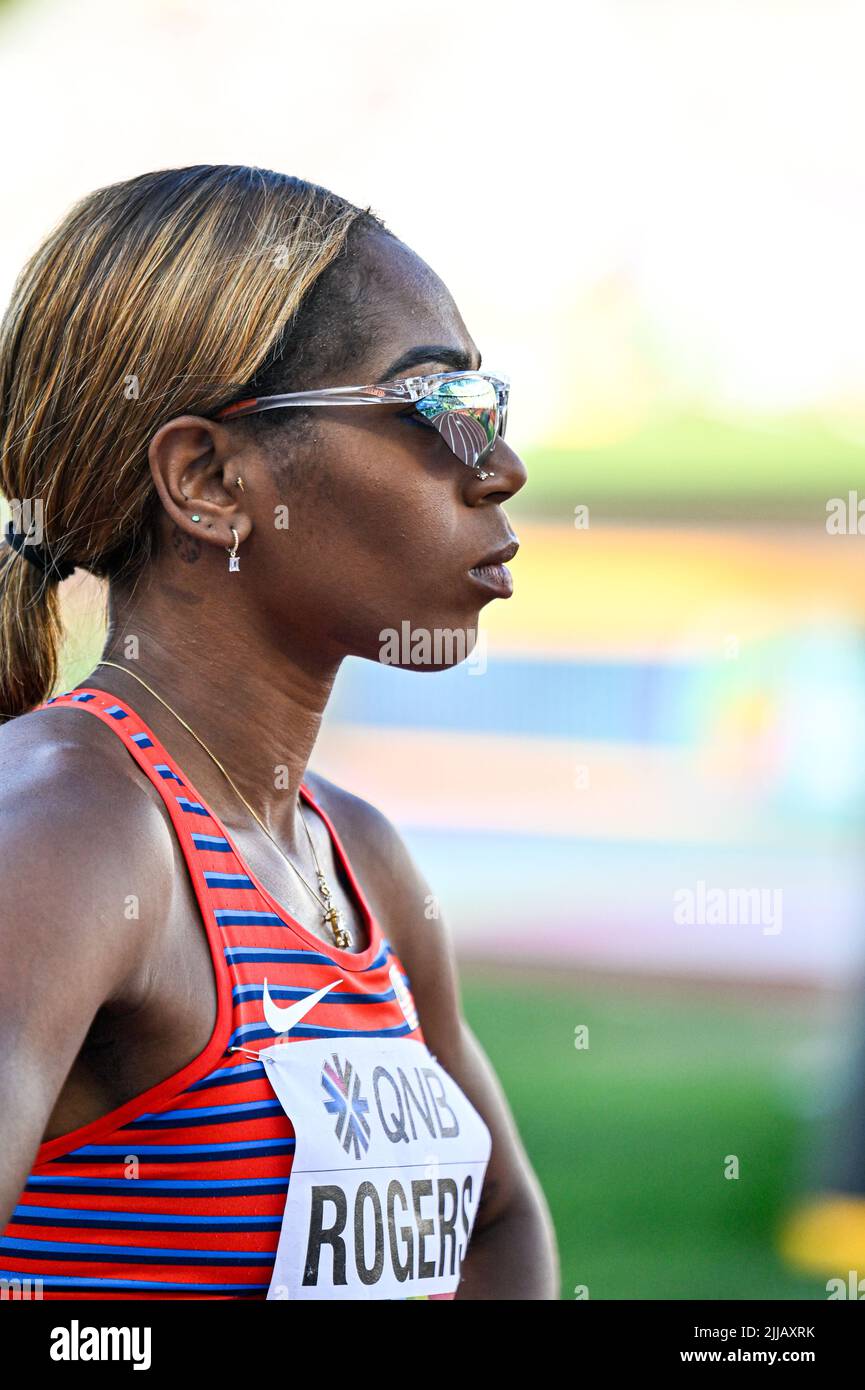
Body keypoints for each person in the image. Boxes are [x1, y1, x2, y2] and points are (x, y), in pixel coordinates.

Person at [0, 164, 558, 1299]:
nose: (500, 467)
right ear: (209, 479)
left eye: (491, 408)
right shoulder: (69, 837)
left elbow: (498, 1223)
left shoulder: (364, 862)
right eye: (440, 408)